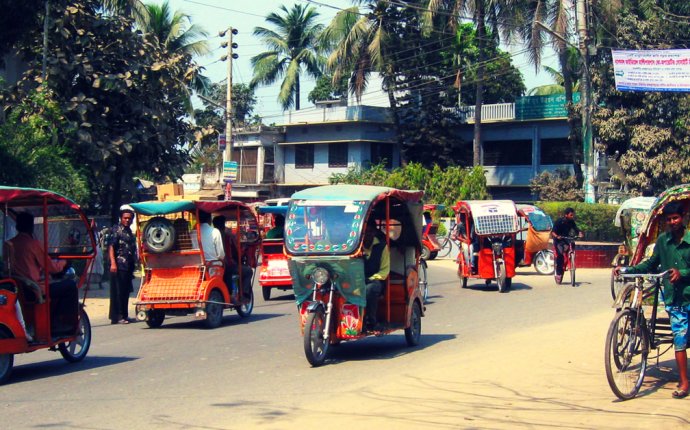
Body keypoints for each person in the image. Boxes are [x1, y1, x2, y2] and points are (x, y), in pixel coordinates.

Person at [614, 201, 690, 399]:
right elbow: (651, 263)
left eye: (675, 218)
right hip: (675, 299)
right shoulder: (663, 241)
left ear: (683, 218)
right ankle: (684, 382)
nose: (672, 222)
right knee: (679, 339)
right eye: (669, 220)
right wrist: (629, 269)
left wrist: (681, 272)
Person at [7, 211, 78, 333]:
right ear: (31, 227)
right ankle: (59, 324)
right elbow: (51, 268)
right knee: (70, 286)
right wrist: (64, 262)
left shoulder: (9, 244)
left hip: (17, 287)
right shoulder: (33, 244)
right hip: (33, 289)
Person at [212, 215, 253, 300]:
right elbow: (237, 252)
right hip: (226, 265)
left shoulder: (210, 235)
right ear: (223, 224)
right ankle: (244, 295)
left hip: (213, 266)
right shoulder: (228, 236)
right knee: (248, 271)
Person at [108, 208, 137, 325]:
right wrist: (113, 263)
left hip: (128, 266)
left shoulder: (129, 231)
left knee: (126, 291)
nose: (127, 220)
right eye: (125, 218)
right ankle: (117, 316)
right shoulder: (116, 230)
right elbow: (111, 247)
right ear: (121, 218)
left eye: (129, 218)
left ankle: (124, 314)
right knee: (118, 292)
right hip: (118, 265)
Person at [362, 219, 390, 331]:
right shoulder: (354, 246)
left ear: (374, 232)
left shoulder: (382, 246)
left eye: (369, 232)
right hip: (357, 279)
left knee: (370, 289)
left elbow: (384, 270)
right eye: (364, 232)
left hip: (376, 280)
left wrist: (370, 279)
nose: (367, 235)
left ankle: (371, 320)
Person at [551, 207, 583, 283]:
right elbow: (553, 232)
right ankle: (558, 273)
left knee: (572, 243)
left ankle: (571, 257)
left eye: (573, 215)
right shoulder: (559, 221)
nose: (572, 216)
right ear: (566, 215)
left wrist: (579, 233)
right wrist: (556, 236)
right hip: (558, 240)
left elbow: (576, 229)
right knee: (560, 256)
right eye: (571, 215)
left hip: (566, 239)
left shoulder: (571, 222)